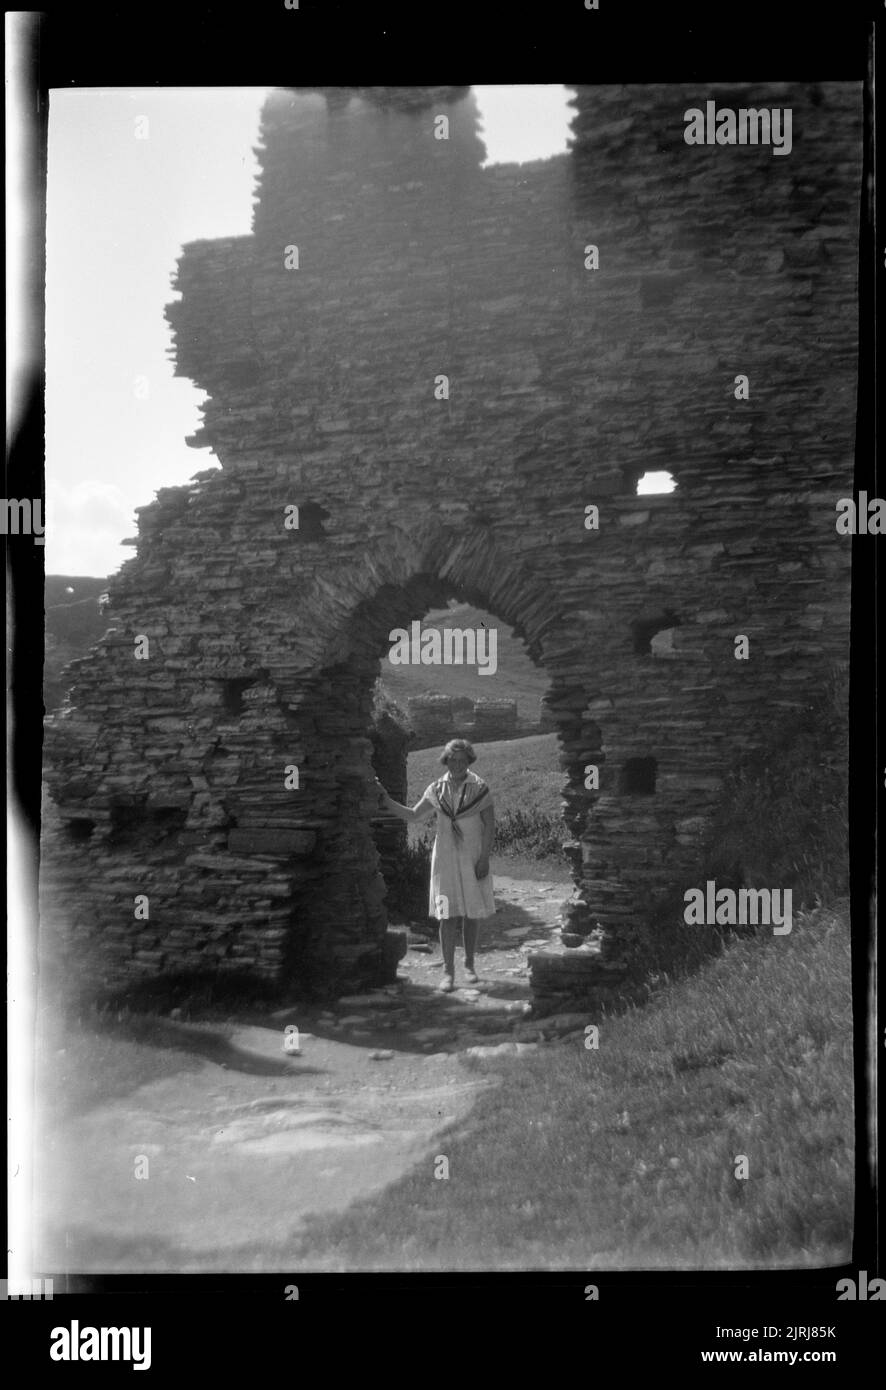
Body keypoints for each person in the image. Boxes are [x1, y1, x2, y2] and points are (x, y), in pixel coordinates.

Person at [374, 738, 495, 992]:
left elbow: (489, 826)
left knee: (472, 913)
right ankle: (448, 972)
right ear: (446, 761)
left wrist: (484, 858)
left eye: (463, 760)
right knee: (447, 914)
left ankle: (470, 965)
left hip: (472, 856)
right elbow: (414, 815)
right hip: (445, 859)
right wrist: (385, 800)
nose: (458, 764)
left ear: (469, 760)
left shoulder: (480, 788)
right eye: (453, 759)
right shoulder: (437, 789)